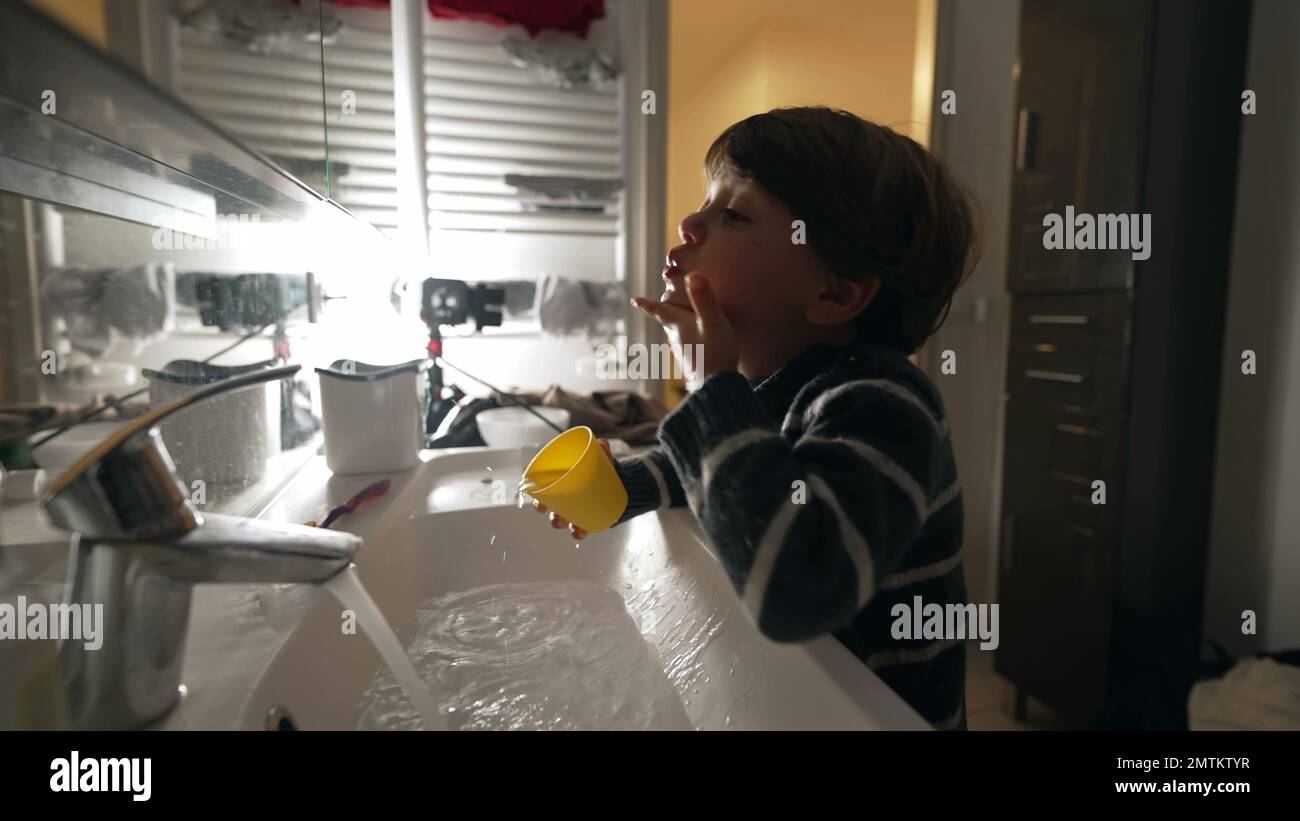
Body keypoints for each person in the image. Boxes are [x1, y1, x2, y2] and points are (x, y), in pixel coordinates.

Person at [534, 107, 977, 730]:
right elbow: (736, 466)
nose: (690, 223)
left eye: (734, 214)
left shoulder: (883, 404)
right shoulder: (778, 386)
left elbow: (798, 589)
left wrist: (710, 385)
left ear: (835, 294)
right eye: (706, 202)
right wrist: (623, 487)